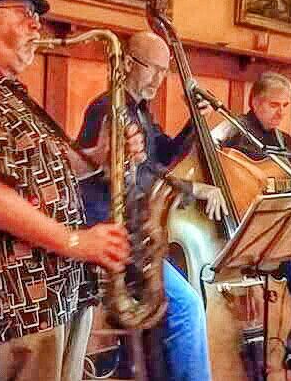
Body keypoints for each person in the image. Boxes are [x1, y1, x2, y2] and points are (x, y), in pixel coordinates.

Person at [0, 0, 145, 381]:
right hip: (22, 298)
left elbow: (56, 171)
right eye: (25, 15)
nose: (37, 27)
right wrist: (78, 242)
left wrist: (101, 156)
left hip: (60, 289)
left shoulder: (10, 94)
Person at [76, 30, 225, 381]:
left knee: (176, 299)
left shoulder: (139, 110)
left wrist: (195, 121)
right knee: (187, 307)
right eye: (153, 68)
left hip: (134, 230)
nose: (160, 79)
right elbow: (136, 172)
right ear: (127, 63)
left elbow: (164, 155)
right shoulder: (108, 107)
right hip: (110, 232)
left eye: (164, 71)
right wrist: (194, 188)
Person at [213, 71, 291, 169]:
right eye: (274, 105)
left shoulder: (286, 140)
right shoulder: (232, 127)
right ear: (255, 103)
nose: (281, 113)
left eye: (285, 105)